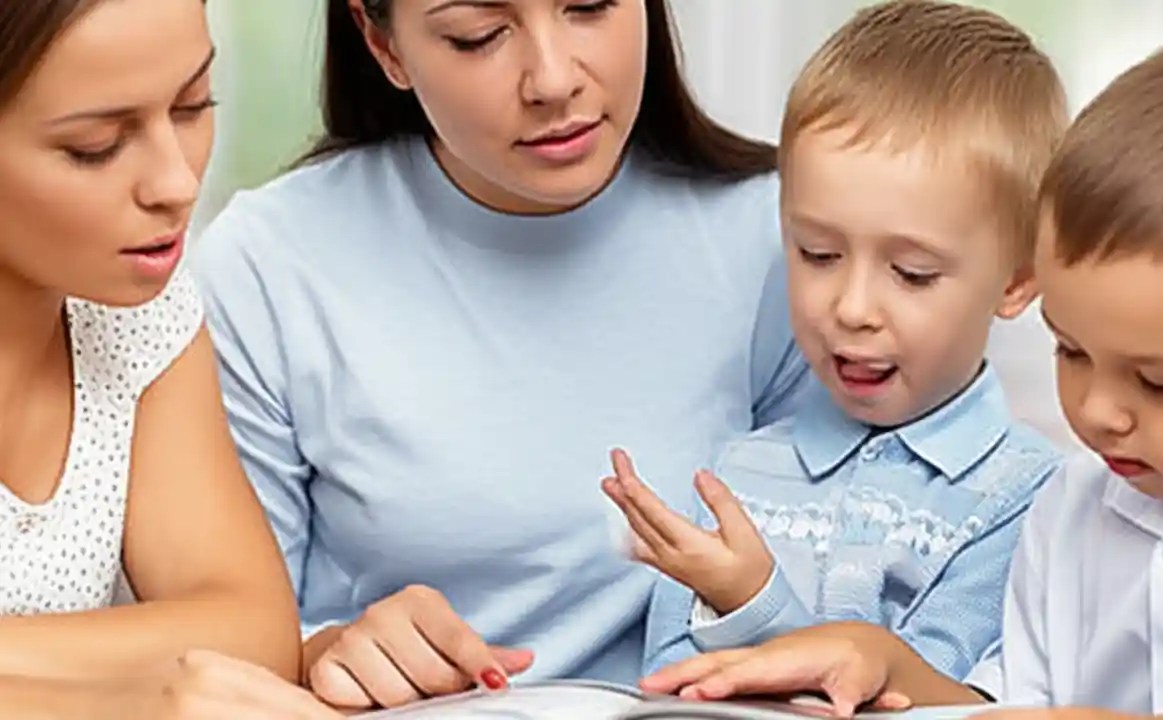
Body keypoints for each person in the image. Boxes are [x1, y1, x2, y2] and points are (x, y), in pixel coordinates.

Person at [191, 0, 810, 709]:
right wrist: (322, 652)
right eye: (479, 36)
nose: (551, 79)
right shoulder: (268, 268)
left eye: (589, 6)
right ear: (382, 43)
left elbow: (876, 598)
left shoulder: (794, 245)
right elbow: (218, 645)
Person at [638, 36, 1163, 720]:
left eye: (1160, 382)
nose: (1098, 412)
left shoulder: (1022, 493)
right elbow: (997, 705)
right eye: (1071, 353)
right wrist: (876, 658)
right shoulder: (1071, 512)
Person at [602, 0, 1066, 683]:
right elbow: (666, 688)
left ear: (1018, 280)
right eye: (817, 254)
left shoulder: (1027, 498)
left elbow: (927, 697)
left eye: (911, 273)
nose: (850, 309)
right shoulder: (739, 471)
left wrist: (753, 604)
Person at [0, 0, 340, 717]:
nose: (177, 184)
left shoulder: (138, 318)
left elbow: (252, 632)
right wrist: (106, 701)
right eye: (95, 146)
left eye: (192, 106)